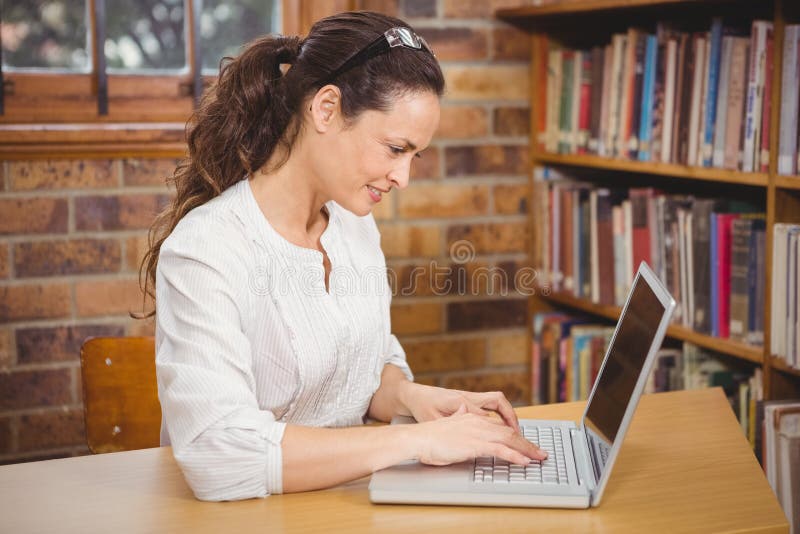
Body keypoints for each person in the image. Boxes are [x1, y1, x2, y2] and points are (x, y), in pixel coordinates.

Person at [138, 11, 546, 502]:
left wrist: (415, 400)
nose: (404, 178)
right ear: (326, 109)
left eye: (413, 155)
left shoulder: (353, 224)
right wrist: (414, 440)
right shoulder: (206, 249)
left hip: (344, 506)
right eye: (395, 148)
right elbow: (219, 455)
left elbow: (367, 368)